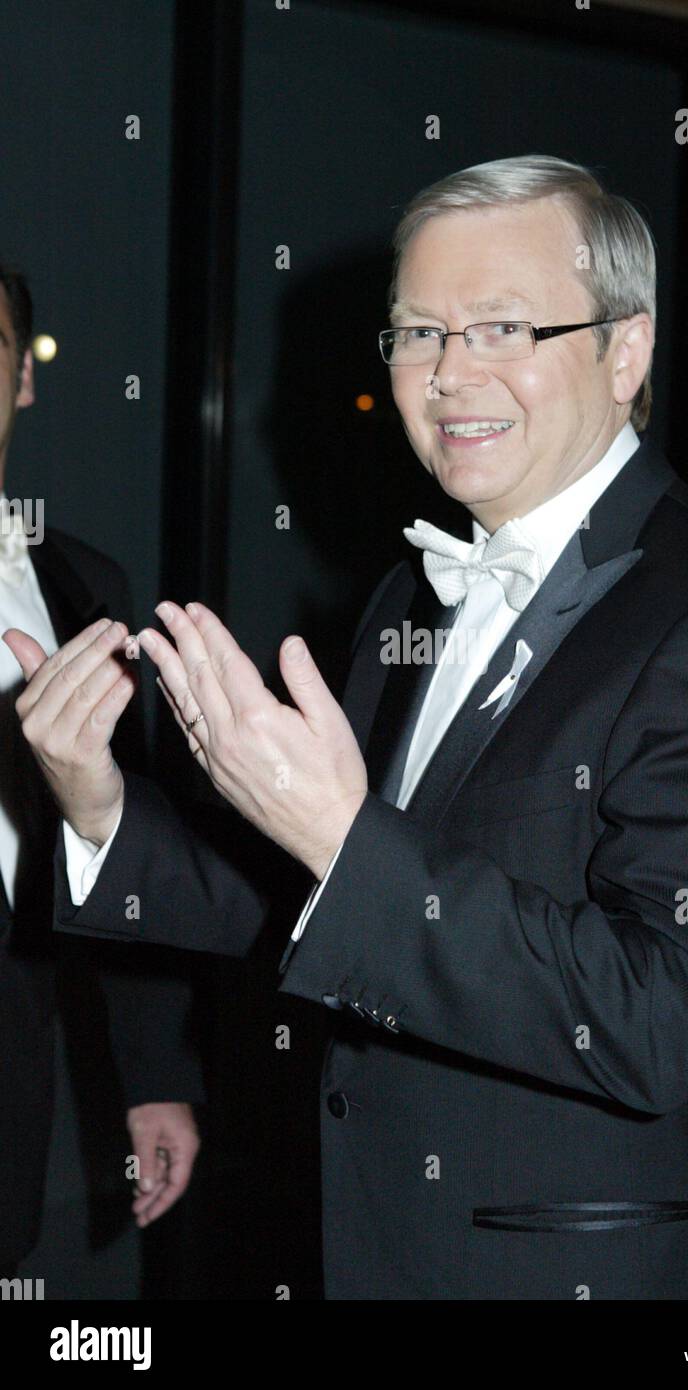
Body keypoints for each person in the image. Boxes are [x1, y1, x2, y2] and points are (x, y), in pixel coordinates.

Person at [4, 157, 688, 1299]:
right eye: (414, 334)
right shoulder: (410, 593)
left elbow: (660, 1019)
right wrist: (94, 801)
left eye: (500, 327)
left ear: (625, 349)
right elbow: (309, 896)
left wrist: (344, 837)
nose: (448, 374)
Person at [0, 264, 201, 1278]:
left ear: (21, 380)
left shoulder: (87, 587)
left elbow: (126, 843)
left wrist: (152, 1071)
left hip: (26, 1098)